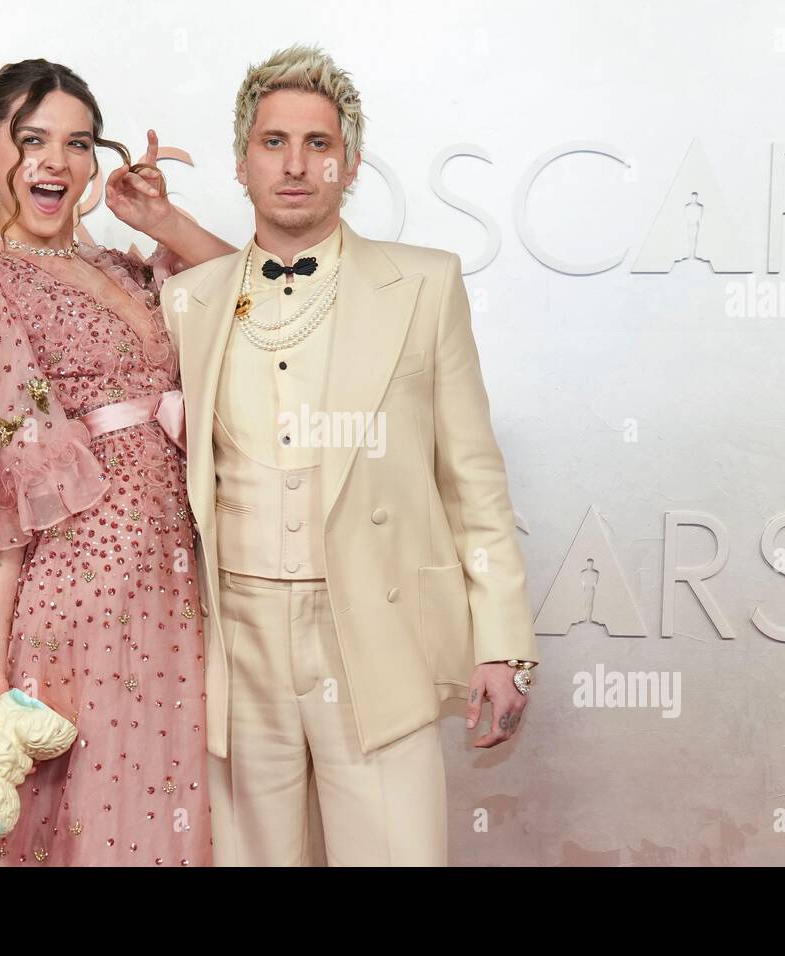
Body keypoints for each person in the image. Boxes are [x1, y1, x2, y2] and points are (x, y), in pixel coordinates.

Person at [157, 44, 540, 866]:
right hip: (238, 636)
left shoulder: (425, 285)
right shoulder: (189, 299)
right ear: (240, 163)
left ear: (350, 163)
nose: (295, 164)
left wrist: (501, 642)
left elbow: (473, 480)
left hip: (375, 625)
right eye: (273, 143)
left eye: (318, 145)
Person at [0, 58, 234, 866]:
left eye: (78, 143)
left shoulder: (121, 266)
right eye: (33, 140)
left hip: (179, 584)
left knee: (175, 810)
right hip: (82, 592)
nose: (57, 161)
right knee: (93, 821)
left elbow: (254, 298)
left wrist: (164, 222)